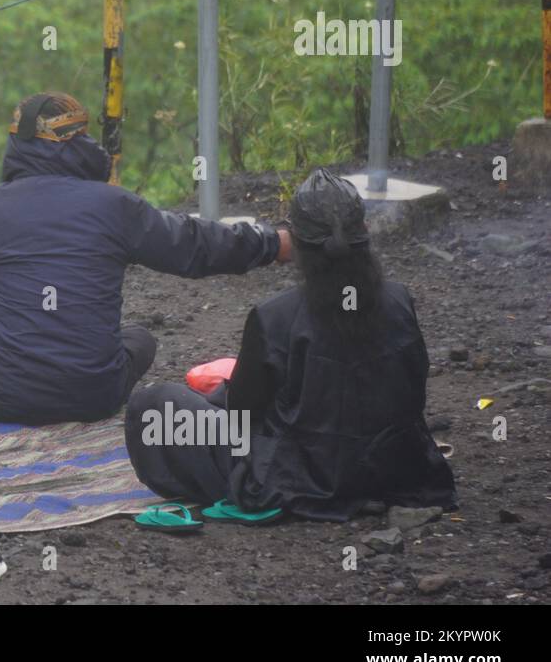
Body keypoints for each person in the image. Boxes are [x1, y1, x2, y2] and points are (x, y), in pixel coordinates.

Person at [0, 92, 291, 426]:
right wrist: (275, 244)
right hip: (96, 397)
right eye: (81, 134)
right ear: (71, 144)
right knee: (141, 338)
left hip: (6, 395)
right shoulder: (114, 205)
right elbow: (194, 245)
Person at [124, 168, 457, 520]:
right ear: (366, 232)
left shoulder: (275, 317)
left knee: (153, 405)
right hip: (395, 470)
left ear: (295, 243)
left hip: (294, 480)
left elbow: (243, 412)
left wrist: (222, 396)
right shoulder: (400, 300)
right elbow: (411, 391)